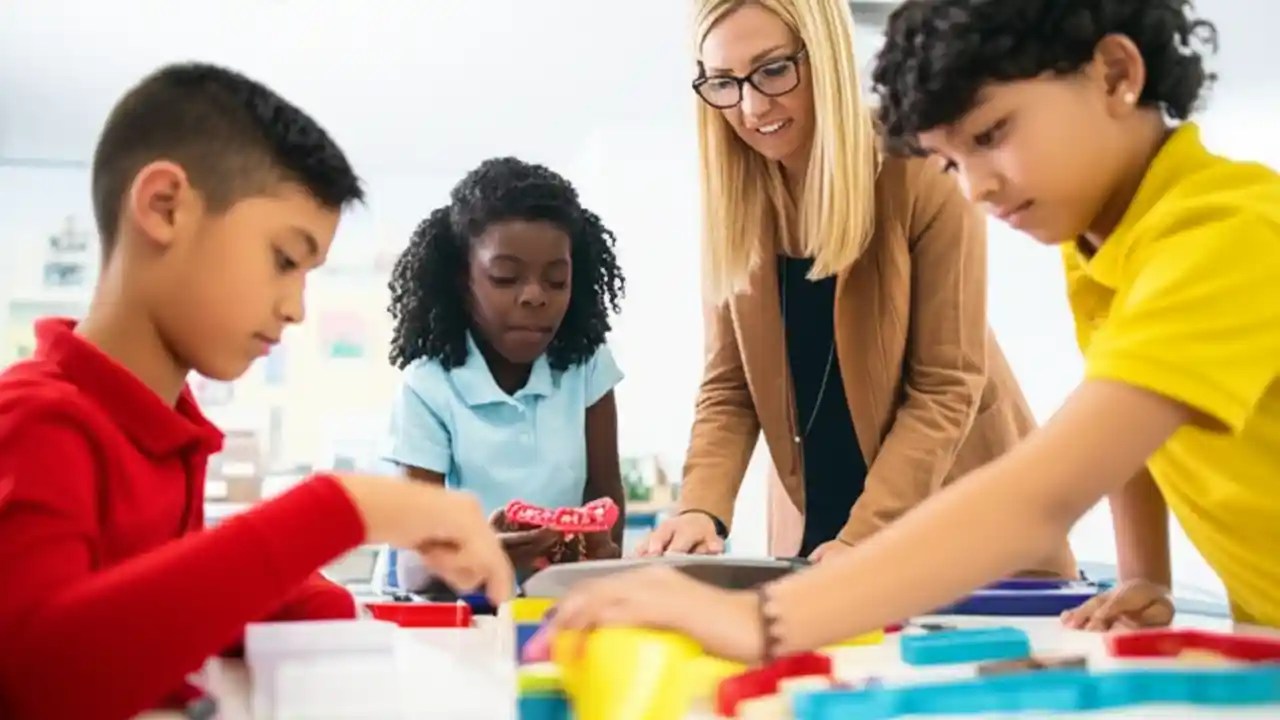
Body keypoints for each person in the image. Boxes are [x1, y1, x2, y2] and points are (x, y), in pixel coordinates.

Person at [543, 0, 1280, 660]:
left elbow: (1039, 498)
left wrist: (768, 620)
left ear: (1116, 73)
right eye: (953, 160)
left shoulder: (1222, 236)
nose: (975, 188)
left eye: (992, 135)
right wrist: (1145, 573)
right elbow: (1136, 441)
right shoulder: (1105, 244)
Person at [0, 63, 512, 720]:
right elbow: (43, 677)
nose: (296, 307)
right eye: (283, 259)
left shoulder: (156, 434)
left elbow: (159, 604)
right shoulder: (37, 420)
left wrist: (318, 601)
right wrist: (341, 508)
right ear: (165, 206)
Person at [639, 0, 1075, 577]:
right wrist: (701, 508)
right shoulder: (735, 199)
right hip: (818, 536)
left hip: (955, 518)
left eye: (773, 70)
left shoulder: (920, 167)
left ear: (824, 56)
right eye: (723, 82)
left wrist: (863, 536)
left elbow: (947, 384)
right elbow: (731, 386)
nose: (750, 106)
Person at [383, 157, 627, 587]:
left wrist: (598, 554)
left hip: (554, 608)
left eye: (556, 281)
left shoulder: (585, 366)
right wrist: (477, 553)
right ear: (463, 279)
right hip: (458, 615)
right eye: (505, 277)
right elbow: (412, 567)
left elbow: (606, 501)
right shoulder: (428, 386)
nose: (535, 296)